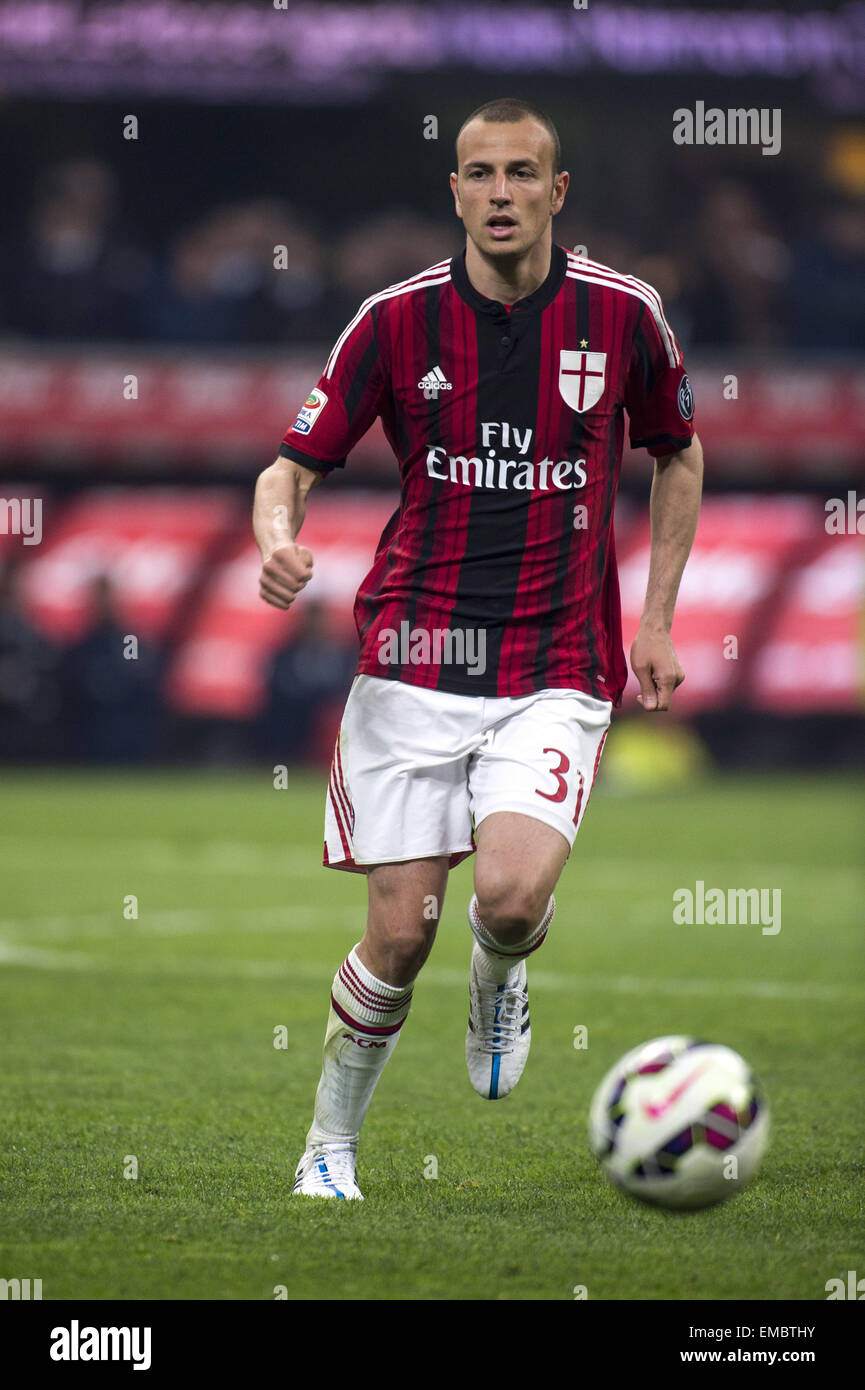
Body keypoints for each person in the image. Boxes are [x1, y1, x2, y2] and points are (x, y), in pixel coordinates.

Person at [252, 98, 703, 1200]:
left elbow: (678, 454)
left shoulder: (624, 315)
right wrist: (277, 539)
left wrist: (653, 619)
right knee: (399, 937)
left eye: (520, 173)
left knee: (504, 898)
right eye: (478, 173)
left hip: (554, 661)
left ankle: (500, 973)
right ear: (452, 191)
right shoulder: (393, 322)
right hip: (410, 658)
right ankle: (329, 1146)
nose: (499, 191)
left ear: (557, 194)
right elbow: (291, 465)